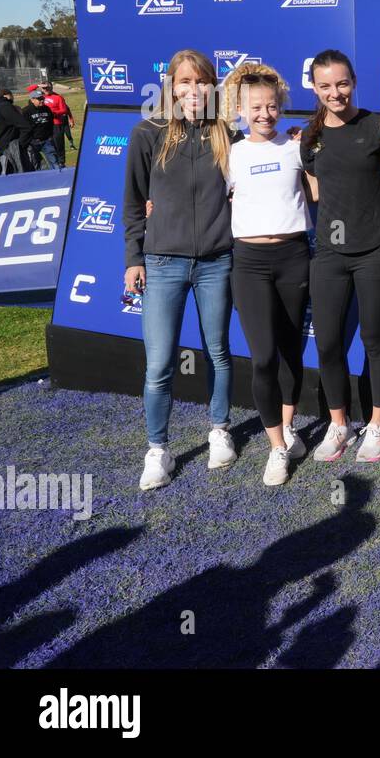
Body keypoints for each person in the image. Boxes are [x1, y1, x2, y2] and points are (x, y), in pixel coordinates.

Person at [124, 49, 237, 491]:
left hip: (216, 262)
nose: (193, 91)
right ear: (171, 86)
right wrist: (134, 257)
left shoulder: (226, 133)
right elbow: (134, 203)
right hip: (163, 262)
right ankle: (158, 449)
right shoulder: (147, 132)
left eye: (201, 82)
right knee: (159, 364)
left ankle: (220, 430)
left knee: (219, 352)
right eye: (184, 82)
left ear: (212, 86)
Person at [301, 50, 380, 464]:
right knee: (327, 343)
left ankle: (378, 424)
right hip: (328, 254)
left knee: (375, 339)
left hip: (375, 250)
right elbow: (313, 194)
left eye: (341, 83)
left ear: (354, 81)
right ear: (315, 88)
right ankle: (338, 424)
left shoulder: (378, 126)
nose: (334, 92)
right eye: (325, 86)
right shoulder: (310, 136)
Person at [222, 64, 312, 486]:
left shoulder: (296, 146)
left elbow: (319, 191)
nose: (265, 114)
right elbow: (204, 201)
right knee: (262, 357)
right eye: (256, 107)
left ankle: (289, 429)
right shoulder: (230, 153)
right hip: (250, 263)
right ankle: (276, 447)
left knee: (291, 349)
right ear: (240, 109)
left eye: (272, 106)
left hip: (294, 256)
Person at [0, 89, 33, 174]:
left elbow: (26, 127)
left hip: (12, 157)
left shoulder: (3, 107)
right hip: (3, 155)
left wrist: (18, 147)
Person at [24, 87, 60, 170]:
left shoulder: (47, 109)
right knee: (38, 164)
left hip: (47, 140)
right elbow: (24, 128)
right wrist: (29, 140)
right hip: (33, 142)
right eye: (39, 99)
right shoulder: (26, 111)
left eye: (42, 99)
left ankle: (58, 178)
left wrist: (50, 136)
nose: (42, 101)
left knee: (54, 161)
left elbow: (51, 122)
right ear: (32, 100)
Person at [41, 81, 75, 166]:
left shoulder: (58, 97)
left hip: (57, 124)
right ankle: (54, 163)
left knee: (59, 144)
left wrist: (53, 112)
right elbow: (30, 90)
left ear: (51, 87)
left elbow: (64, 110)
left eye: (47, 87)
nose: (45, 89)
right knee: (49, 145)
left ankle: (61, 162)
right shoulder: (40, 97)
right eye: (43, 88)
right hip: (45, 125)